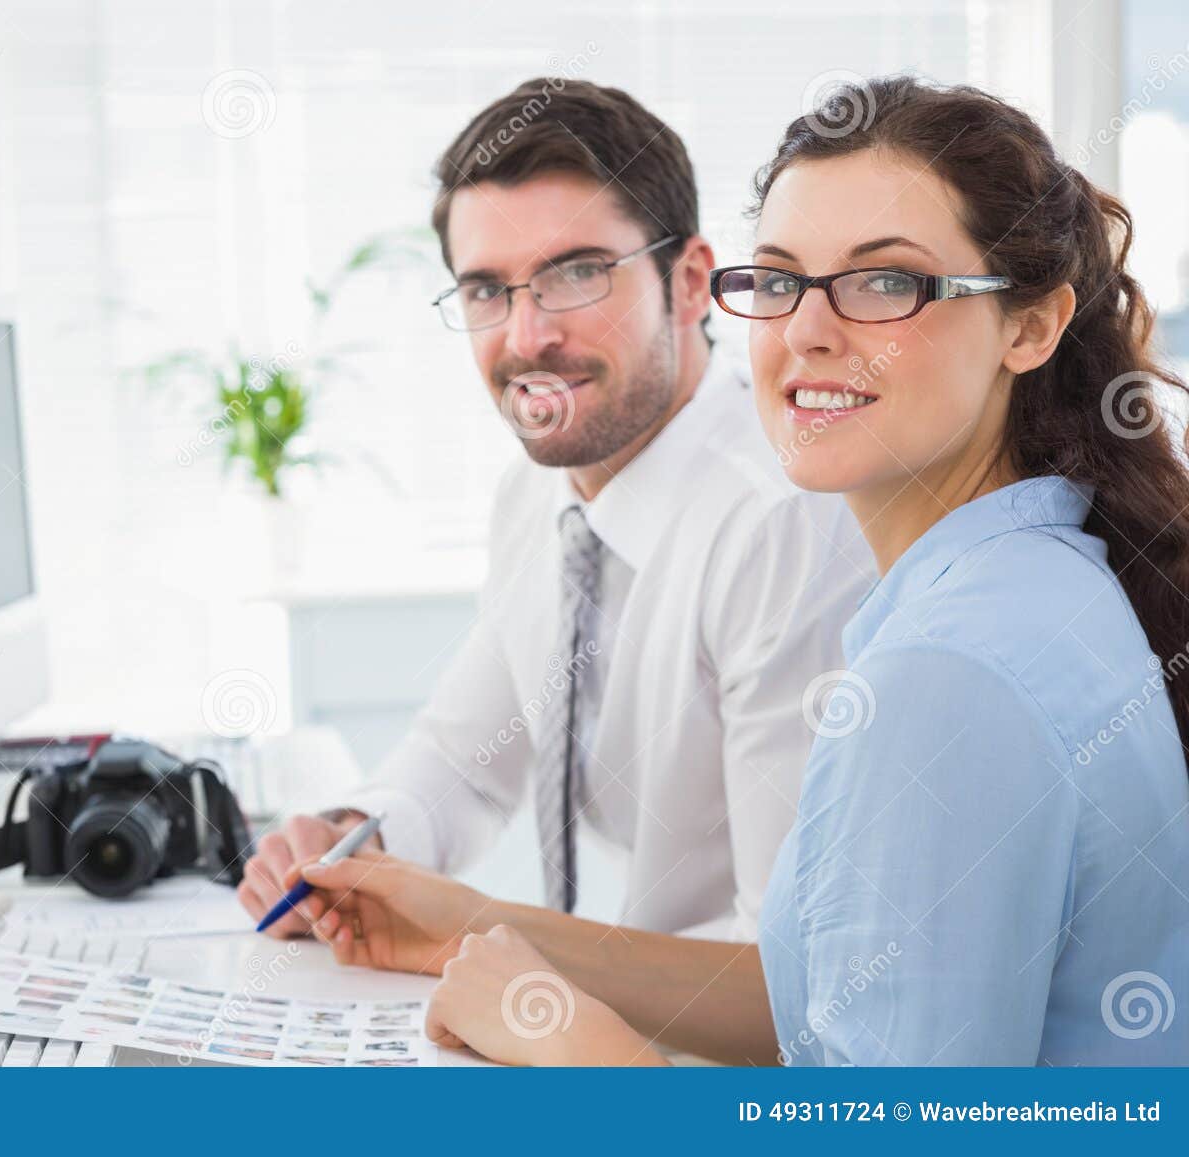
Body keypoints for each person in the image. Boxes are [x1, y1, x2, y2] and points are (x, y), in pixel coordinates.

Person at [291, 76, 1189, 1066]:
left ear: (1028, 325)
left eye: (884, 281)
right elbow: (825, 996)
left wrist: (575, 1046)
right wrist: (470, 924)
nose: (806, 329)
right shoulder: (1022, 582)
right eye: (780, 281)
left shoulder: (945, 671)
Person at [237, 79, 869, 942]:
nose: (527, 337)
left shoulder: (781, 523)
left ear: (688, 284)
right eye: (487, 290)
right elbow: (466, 761)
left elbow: (792, 965)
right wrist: (351, 837)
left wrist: (509, 961)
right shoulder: (539, 497)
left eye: (576, 273)